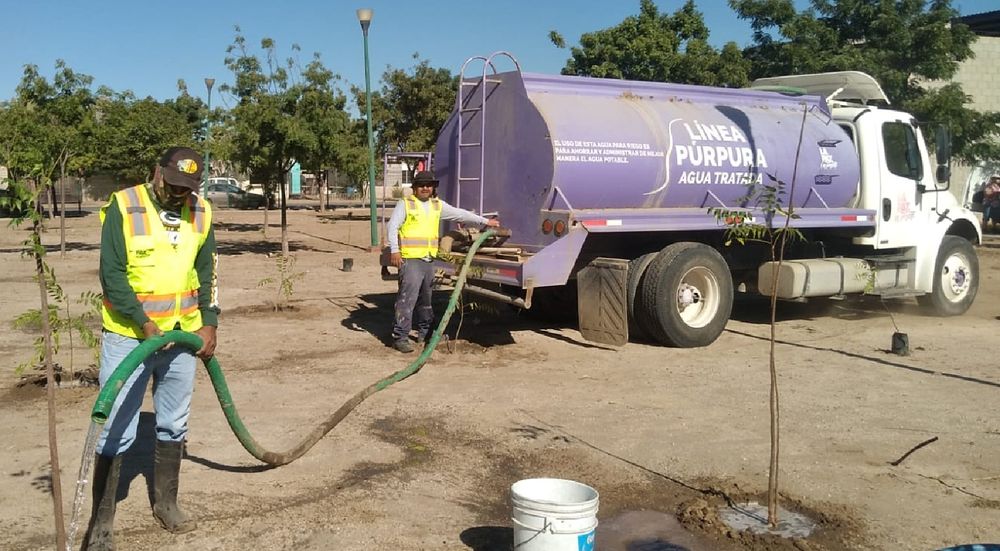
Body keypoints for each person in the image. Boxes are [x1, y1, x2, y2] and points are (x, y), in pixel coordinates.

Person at [83, 147, 219, 550]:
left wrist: (209, 322)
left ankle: (166, 502)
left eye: (187, 189)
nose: (179, 194)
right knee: (115, 428)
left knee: (174, 421)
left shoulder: (202, 211)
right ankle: (101, 521)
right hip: (130, 335)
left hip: (183, 335)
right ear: (156, 172)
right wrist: (143, 323)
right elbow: (111, 273)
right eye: (173, 185)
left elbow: (208, 270)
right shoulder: (124, 206)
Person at [386, 170, 500, 353]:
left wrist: (485, 221)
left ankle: (426, 332)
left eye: (428, 185)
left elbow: (461, 215)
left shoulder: (437, 205)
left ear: (433, 188)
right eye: (421, 185)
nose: (425, 188)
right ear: (414, 188)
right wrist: (394, 251)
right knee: (407, 299)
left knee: (427, 300)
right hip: (411, 260)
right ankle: (400, 336)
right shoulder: (405, 204)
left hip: (429, 260)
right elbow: (392, 227)